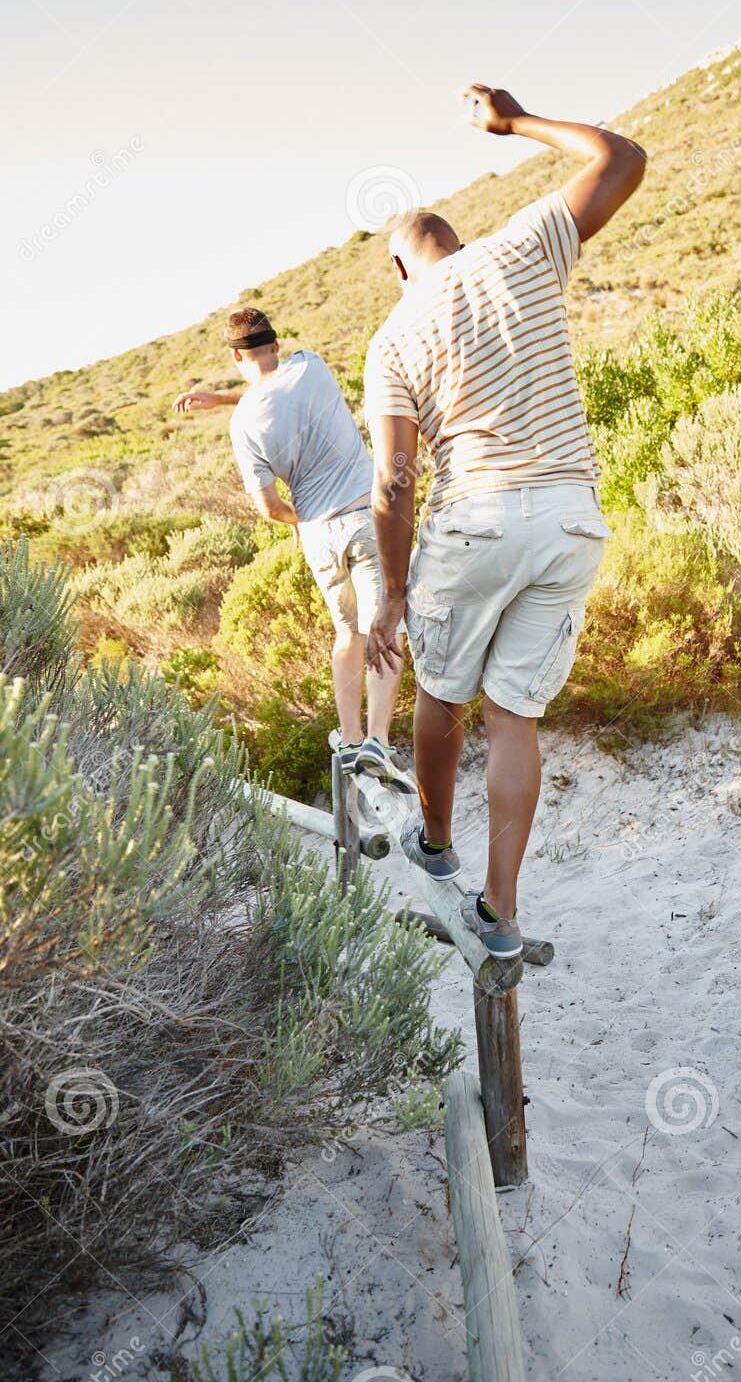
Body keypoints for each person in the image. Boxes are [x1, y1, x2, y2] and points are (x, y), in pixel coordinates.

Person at [364, 84, 646, 960]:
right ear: (452, 242)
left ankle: (438, 845)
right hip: (571, 517)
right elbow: (621, 158)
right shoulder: (522, 246)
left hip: (477, 518)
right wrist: (514, 122)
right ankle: (500, 907)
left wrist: (394, 591)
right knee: (513, 717)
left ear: (402, 268)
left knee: (443, 694)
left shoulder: (395, 335)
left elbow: (395, 481)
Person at [173, 307, 412, 786]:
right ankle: (380, 744)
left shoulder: (241, 426)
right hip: (365, 518)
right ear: (276, 346)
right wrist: (225, 397)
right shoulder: (312, 367)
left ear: (237, 356)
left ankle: (349, 738)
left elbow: (267, 505)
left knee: (348, 634)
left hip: (318, 535)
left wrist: (297, 519)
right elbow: (281, 391)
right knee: (388, 629)